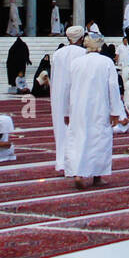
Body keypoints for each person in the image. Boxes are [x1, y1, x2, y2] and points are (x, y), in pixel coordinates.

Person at [64, 32, 127, 189]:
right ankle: (97, 176)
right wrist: (115, 112)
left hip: (78, 109)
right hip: (99, 108)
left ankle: (78, 174)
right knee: (99, 141)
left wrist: (66, 112)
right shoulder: (106, 62)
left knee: (78, 140)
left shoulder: (76, 63)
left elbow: (67, 89)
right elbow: (113, 88)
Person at [50, 26, 87, 172]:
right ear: (82, 38)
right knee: (78, 129)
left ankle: (61, 162)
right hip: (77, 93)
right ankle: (75, 162)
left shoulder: (58, 54)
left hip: (58, 95)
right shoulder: (83, 53)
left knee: (60, 128)